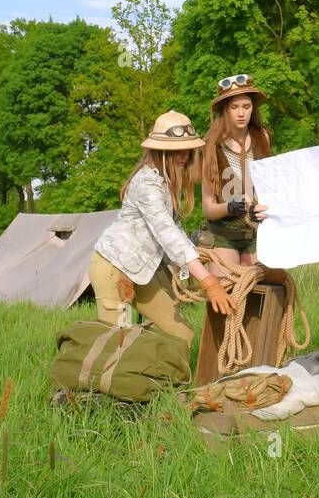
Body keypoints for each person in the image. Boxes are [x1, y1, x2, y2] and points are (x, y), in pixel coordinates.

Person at [89, 110, 234, 341]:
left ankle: (168, 377)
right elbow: (168, 234)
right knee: (114, 343)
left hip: (141, 272)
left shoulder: (166, 183)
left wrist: (196, 256)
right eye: (176, 150)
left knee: (181, 334)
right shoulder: (147, 184)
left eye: (187, 149)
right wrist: (208, 282)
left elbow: (175, 233)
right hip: (112, 268)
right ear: (159, 150)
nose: (184, 155)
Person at [197, 75, 272, 275]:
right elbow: (207, 208)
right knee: (225, 297)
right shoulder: (210, 146)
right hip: (224, 234)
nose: (241, 113)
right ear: (224, 110)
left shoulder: (262, 137)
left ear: (253, 109)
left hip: (257, 231)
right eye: (234, 107)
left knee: (264, 295)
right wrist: (229, 207)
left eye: (246, 107)